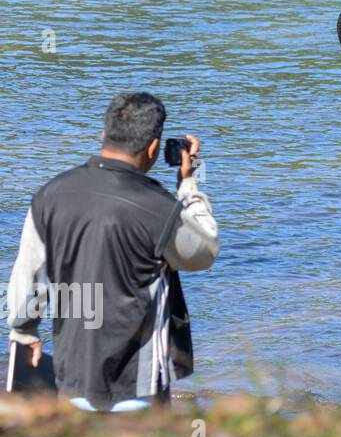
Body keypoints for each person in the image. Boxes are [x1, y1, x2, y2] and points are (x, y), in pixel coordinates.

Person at [6, 92, 219, 410]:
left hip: (71, 376)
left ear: (104, 135)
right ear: (153, 148)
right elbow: (203, 252)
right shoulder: (159, 208)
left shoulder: (50, 195)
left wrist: (24, 331)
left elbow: (30, 274)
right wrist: (188, 186)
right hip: (138, 384)